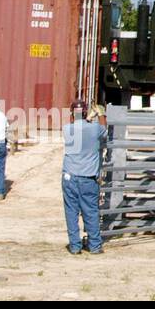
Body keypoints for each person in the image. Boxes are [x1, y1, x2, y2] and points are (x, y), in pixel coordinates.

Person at [62, 100, 106, 255]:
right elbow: (104, 129)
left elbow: (77, 125)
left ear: (72, 114)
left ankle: (75, 246)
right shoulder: (95, 129)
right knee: (91, 211)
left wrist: (83, 118)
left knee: (71, 212)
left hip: (70, 177)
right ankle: (94, 246)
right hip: (88, 178)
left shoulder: (67, 129)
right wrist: (100, 114)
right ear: (87, 113)